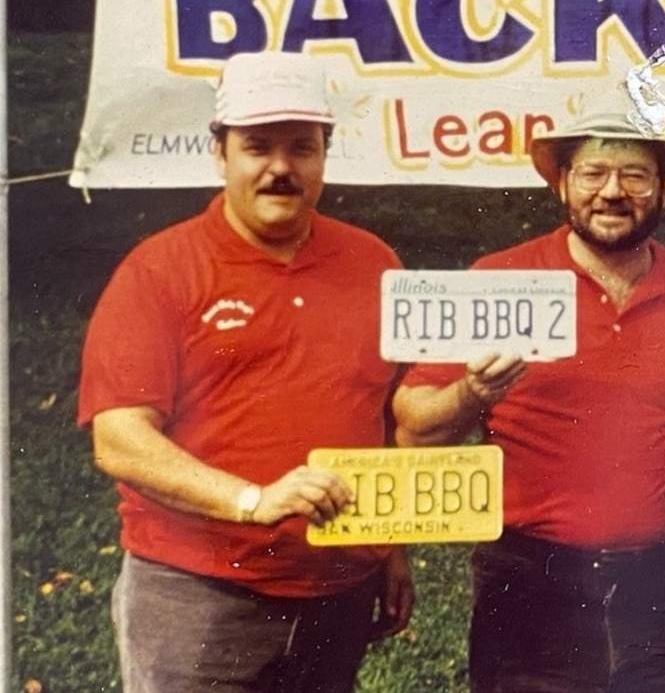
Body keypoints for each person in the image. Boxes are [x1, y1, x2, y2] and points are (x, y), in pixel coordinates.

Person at [78, 51, 413, 693]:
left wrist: (390, 548)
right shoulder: (160, 270)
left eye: (302, 147)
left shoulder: (373, 262)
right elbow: (119, 438)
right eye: (258, 147)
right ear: (220, 153)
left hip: (336, 591)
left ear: (325, 152)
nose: (281, 168)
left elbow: (385, 418)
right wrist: (251, 501)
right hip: (200, 593)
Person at [393, 111, 665, 693]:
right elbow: (413, 422)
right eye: (593, 173)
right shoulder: (501, 279)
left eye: (634, 176)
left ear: (663, 191)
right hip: (530, 581)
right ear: (562, 184)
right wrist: (473, 392)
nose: (611, 192)